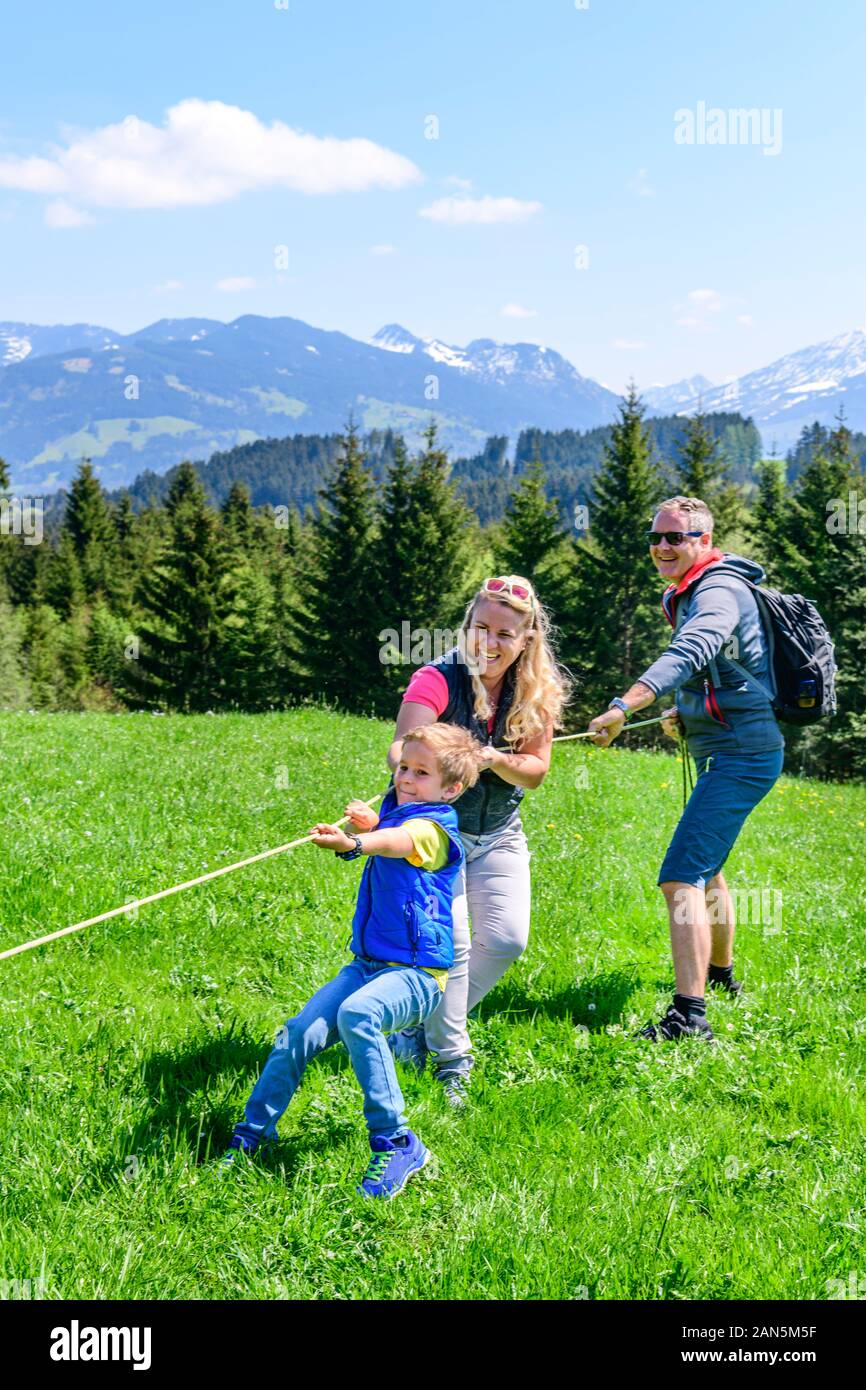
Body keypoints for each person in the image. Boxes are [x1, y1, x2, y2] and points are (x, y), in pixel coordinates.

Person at [221, 723, 482, 1199]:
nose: (405, 778)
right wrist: (369, 827)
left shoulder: (436, 829)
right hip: (366, 964)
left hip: (418, 975)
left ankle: (398, 1141)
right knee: (299, 1031)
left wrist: (357, 843)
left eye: (421, 773)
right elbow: (389, 833)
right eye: (404, 766)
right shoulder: (396, 815)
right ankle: (253, 1135)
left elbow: (402, 843)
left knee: (358, 1015)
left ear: (451, 788)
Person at [587, 496, 784, 1042]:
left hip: (742, 756)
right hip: (728, 747)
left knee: (680, 878)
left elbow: (694, 648)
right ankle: (720, 977)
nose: (662, 547)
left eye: (676, 537)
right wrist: (689, 710)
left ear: (703, 541)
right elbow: (725, 671)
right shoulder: (692, 587)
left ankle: (688, 1018)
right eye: (655, 537)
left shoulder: (717, 588)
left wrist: (628, 704)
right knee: (708, 868)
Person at [386, 575, 570, 1102]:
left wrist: (494, 759)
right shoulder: (435, 678)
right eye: (480, 628)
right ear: (466, 626)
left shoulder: (535, 692)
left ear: (527, 640)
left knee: (508, 940)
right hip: (437, 831)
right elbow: (400, 750)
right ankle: (451, 1061)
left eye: (505, 635)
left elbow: (535, 771)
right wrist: (440, 760)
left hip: (498, 833)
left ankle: (414, 1026)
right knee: (457, 947)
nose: (488, 644)